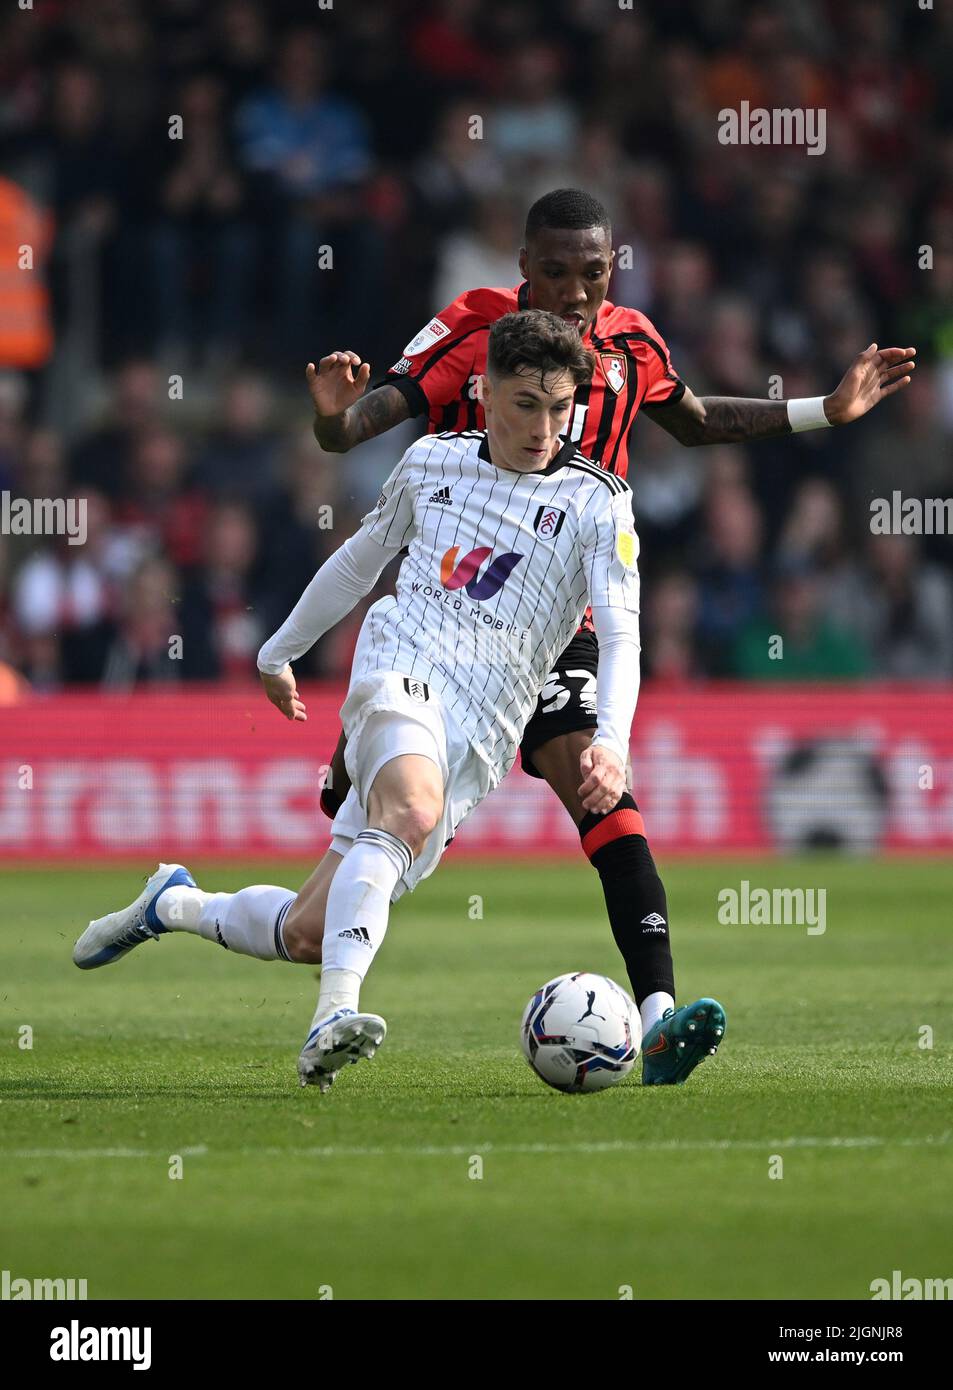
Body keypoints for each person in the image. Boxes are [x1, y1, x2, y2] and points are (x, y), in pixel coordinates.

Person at [299, 187, 916, 1082]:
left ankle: (661, 1018)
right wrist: (330, 418)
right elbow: (362, 421)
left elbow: (695, 423)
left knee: (603, 793)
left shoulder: (633, 343)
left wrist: (822, 408)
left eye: (591, 272)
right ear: (523, 271)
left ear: (611, 269)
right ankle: (338, 781)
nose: (574, 292)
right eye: (554, 272)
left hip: (560, 627)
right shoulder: (474, 329)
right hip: (448, 629)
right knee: (318, 908)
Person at [73, 310, 725, 1091]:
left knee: (309, 930)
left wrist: (610, 741)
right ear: (483, 392)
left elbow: (619, 637)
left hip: (481, 732)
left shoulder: (599, 504)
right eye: (525, 405)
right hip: (401, 667)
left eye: (559, 409)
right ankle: (331, 1019)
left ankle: (173, 904)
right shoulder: (432, 463)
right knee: (408, 811)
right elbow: (358, 562)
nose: (543, 427)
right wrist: (277, 650)